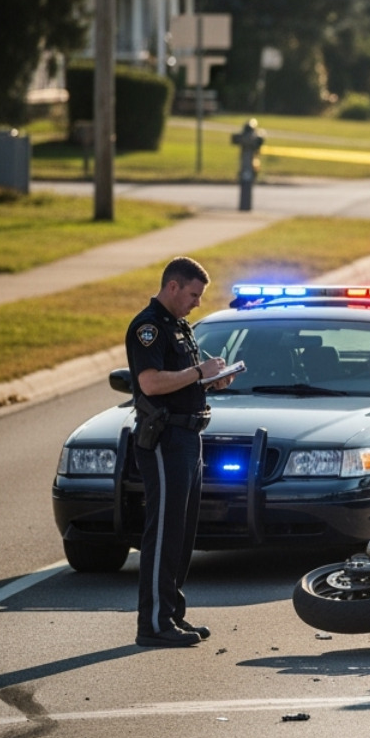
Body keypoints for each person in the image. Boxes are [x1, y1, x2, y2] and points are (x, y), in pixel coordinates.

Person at [126, 257, 233, 648]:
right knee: (164, 530)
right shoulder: (149, 328)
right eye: (193, 294)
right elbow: (151, 383)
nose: (197, 303)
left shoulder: (178, 326)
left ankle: (171, 615)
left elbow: (183, 381)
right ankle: (153, 624)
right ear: (173, 287)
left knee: (183, 533)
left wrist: (211, 381)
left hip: (189, 436)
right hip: (165, 438)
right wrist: (198, 374)